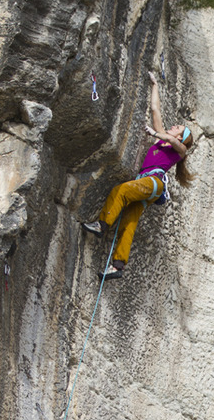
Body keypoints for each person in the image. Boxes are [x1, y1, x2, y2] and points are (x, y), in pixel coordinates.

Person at [81, 71, 194, 279]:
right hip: (147, 187)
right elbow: (155, 109)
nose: (174, 126)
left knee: (121, 190)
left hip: (153, 183)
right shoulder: (163, 140)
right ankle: (117, 266)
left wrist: (155, 134)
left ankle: (102, 224)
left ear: (181, 136)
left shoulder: (178, 150)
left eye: (178, 128)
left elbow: (179, 145)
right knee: (128, 223)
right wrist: (154, 85)